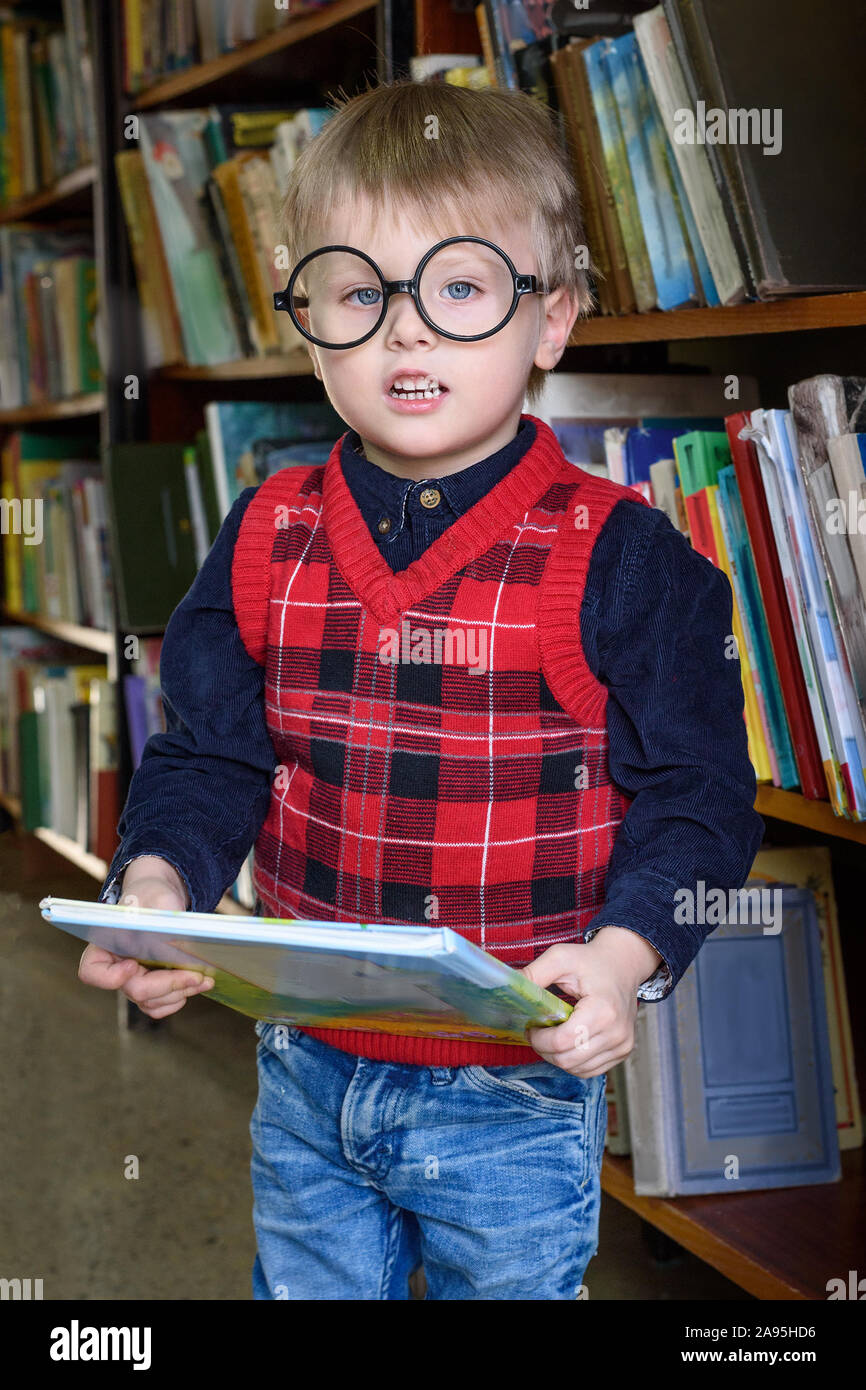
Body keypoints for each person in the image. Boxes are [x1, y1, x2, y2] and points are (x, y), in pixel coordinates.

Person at [78, 79, 763, 1300]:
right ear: (307, 321)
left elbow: (699, 802)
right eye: (357, 292)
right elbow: (210, 755)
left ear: (549, 318)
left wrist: (621, 960)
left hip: (510, 1078)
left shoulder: (624, 560)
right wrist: (160, 880)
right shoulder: (260, 532)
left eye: (458, 286)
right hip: (301, 1063)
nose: (406, 332)